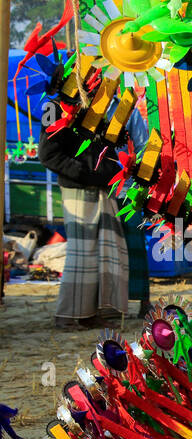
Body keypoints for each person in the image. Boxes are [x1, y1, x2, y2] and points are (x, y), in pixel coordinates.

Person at [38, 119, 130, 328]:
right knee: (81, 256)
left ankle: (90, 313)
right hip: (78, 186)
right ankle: (67, 315)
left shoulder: (98, 106)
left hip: (102, 187)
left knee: (104, 253)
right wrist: (81, 172)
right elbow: (47, 154)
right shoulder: (55, 108)